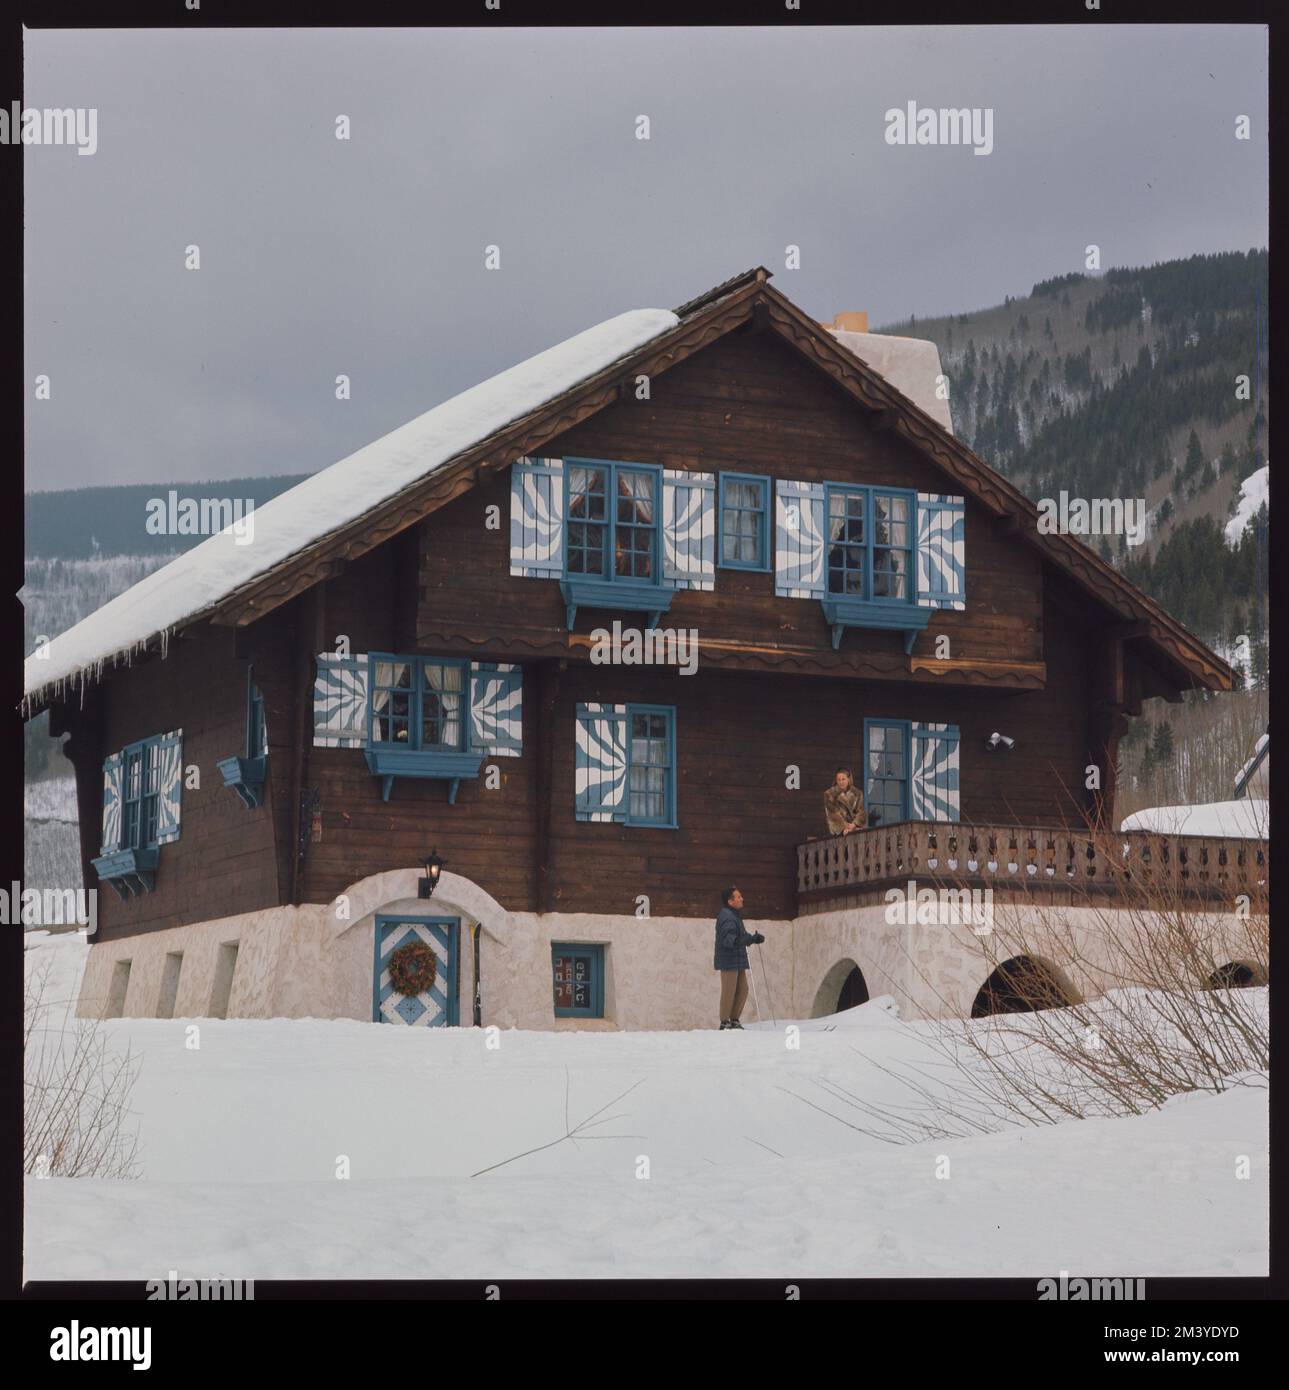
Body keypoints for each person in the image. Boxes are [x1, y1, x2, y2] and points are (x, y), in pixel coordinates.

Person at [713, 886, 764, 1030]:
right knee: (729, 990)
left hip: (737, 958)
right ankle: (725, 1021)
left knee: (743, 989)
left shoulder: (734, 915)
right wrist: (742, 941)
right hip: (729, 959)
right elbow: (730, 939)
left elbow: (741, 937)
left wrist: (753, 939)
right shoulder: (727, 916)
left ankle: (734, 1018)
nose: (742, 899)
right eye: (738, 896)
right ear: (730, 901)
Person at [824, 767, 867, 836]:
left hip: (855, 830)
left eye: (843, 779)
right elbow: (833, 815)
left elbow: (861, 812)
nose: (841, 782)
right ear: (836, 781)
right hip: (838, 832)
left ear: (848, 780)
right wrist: (844, 828)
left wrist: (854, 824)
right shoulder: (830, 794)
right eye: (839, 780)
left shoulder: (857, 793)